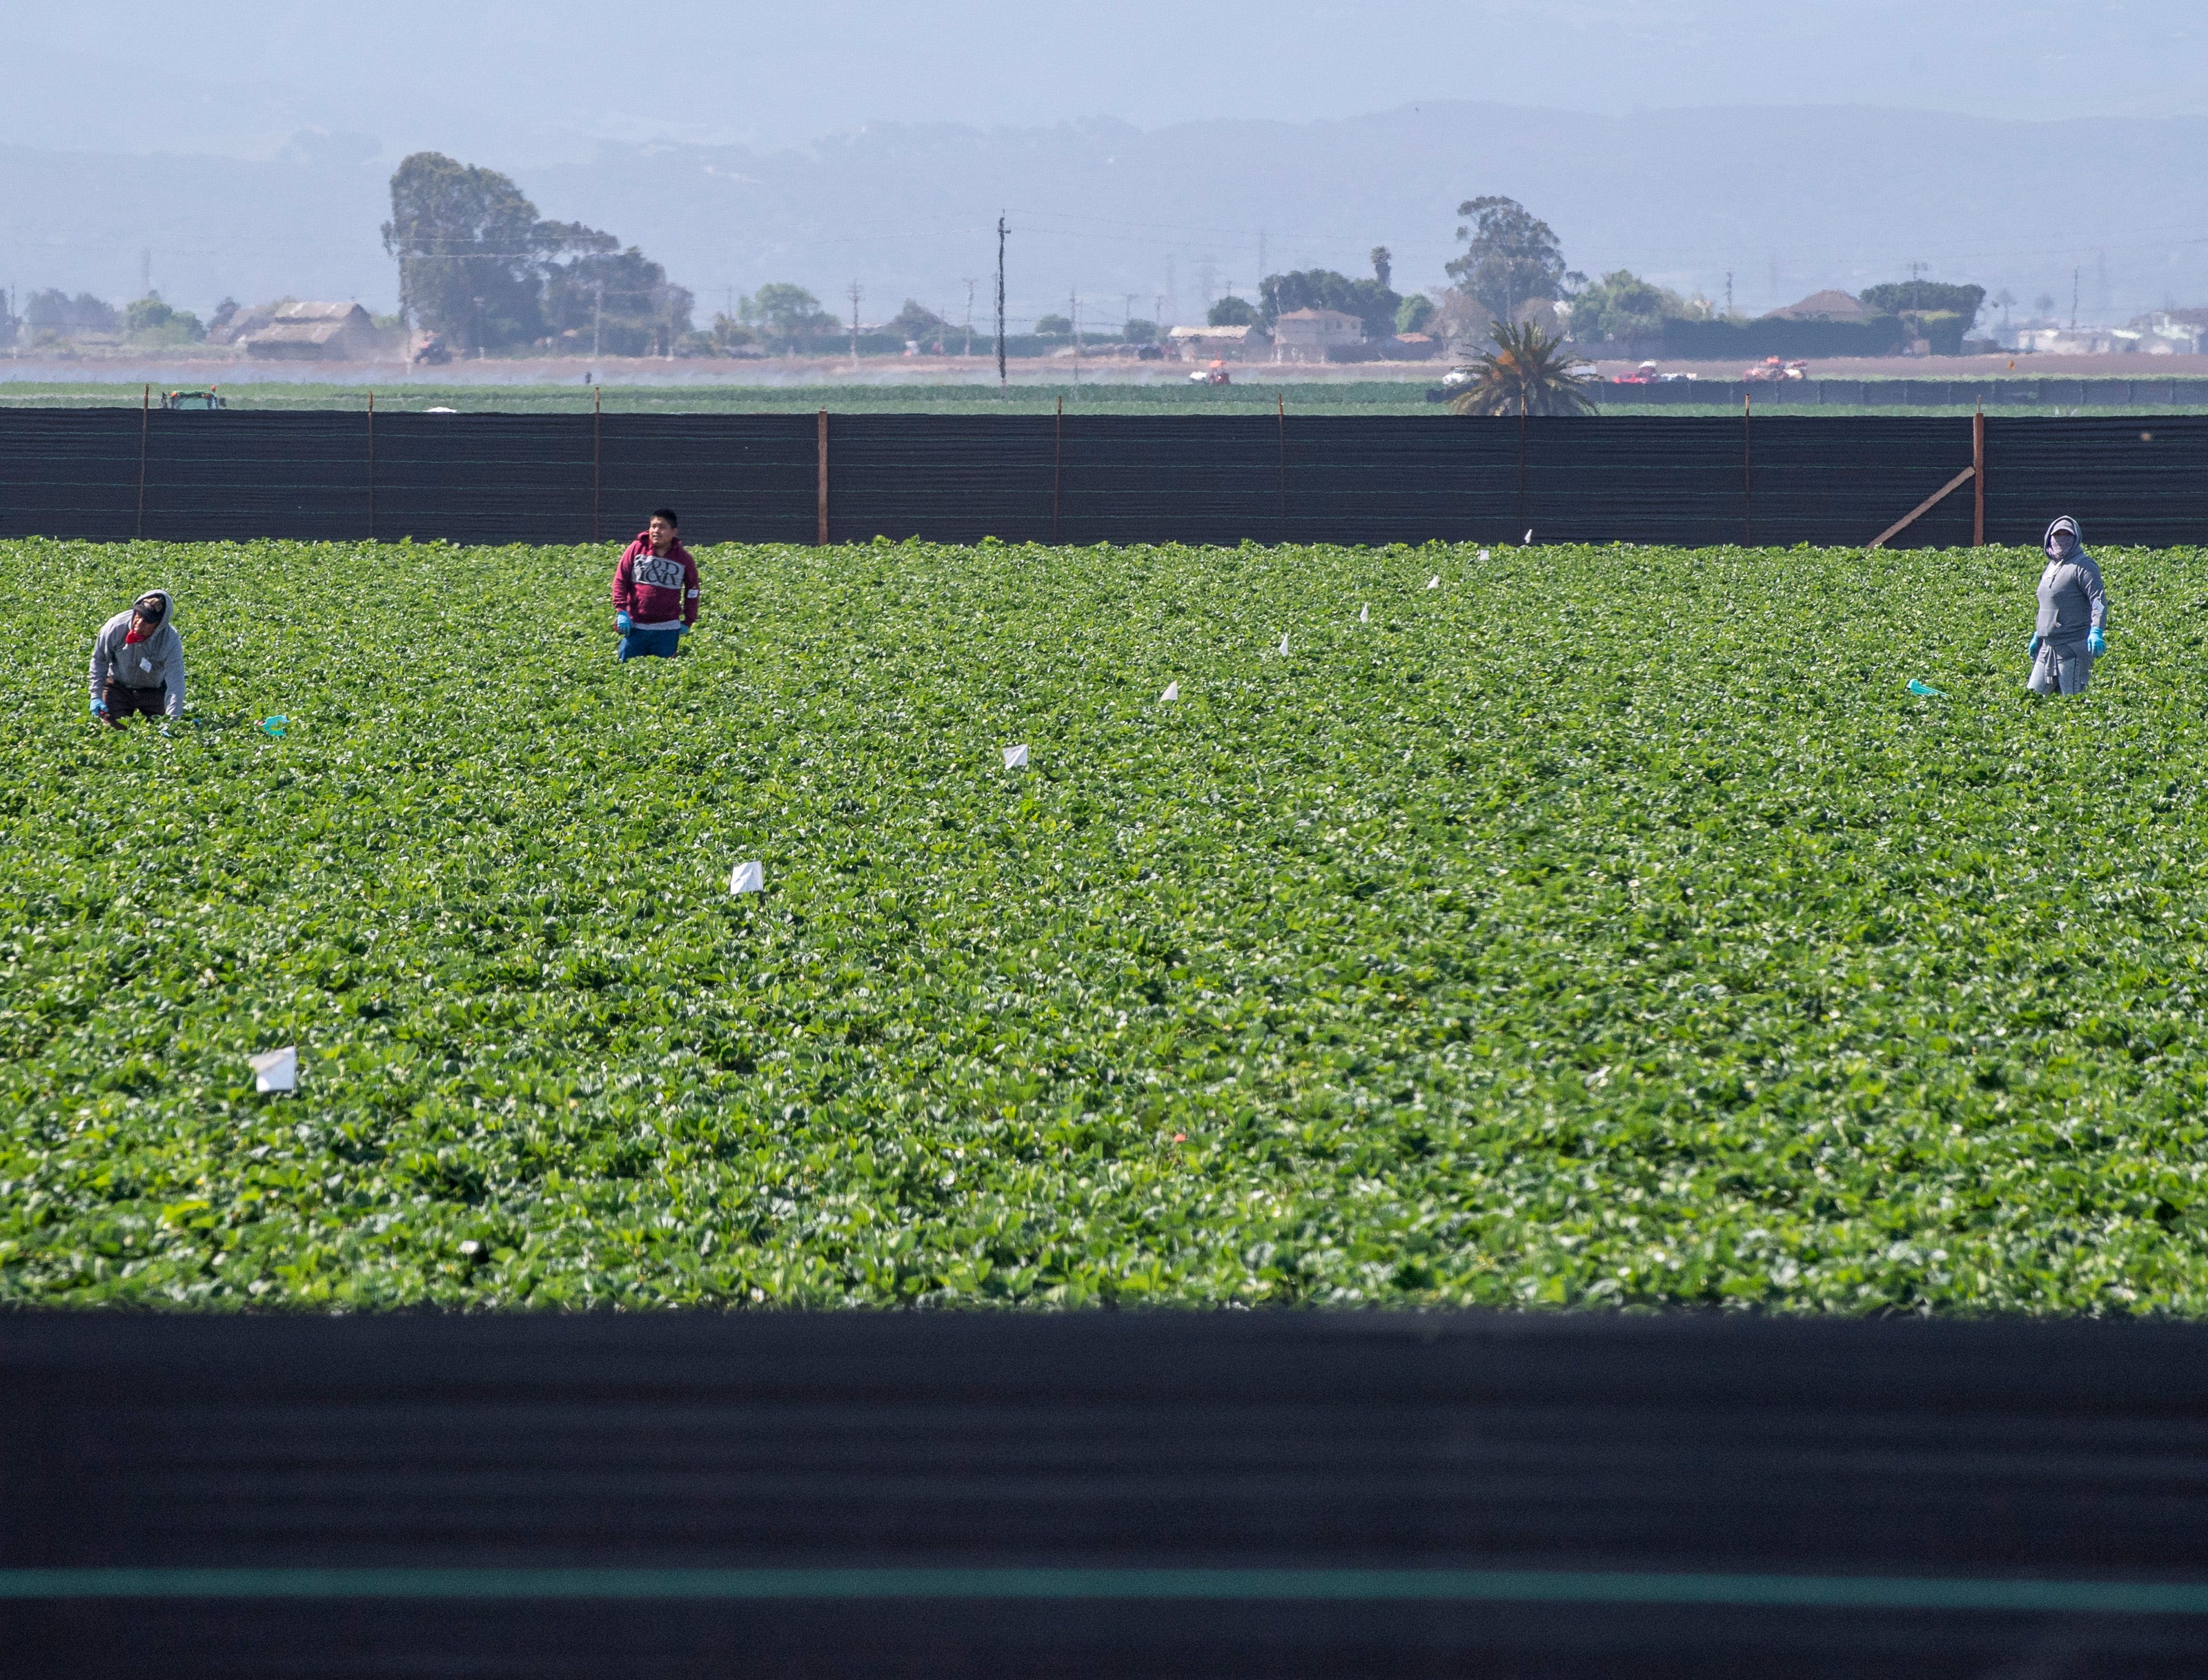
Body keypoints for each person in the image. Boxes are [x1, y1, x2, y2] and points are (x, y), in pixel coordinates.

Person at [2026, 515, 2109, 698]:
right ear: (2050, 538)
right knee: (2032, 699)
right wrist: (2038, 633)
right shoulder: (2052, 566)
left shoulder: (2083, 565)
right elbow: (2047, 604)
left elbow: (2098, 600)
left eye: (2067, 536)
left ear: (2076, 538)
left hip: (2072, 646)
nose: (2062, 540)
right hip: (2048, 647)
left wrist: (2096, 630)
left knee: (2072, 702)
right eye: (2058, 536)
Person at [610, 507, 700, 662]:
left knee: (664, 675)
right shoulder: (636, 549)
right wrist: (622, 611)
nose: (656, 531)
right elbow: (620, 580)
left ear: (674, 532)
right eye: (653, 526)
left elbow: (693, 590)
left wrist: (689, 620)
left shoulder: (684, 558)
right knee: (624, 670)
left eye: (662, 527)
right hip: (635, 627)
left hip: (667, 630)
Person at [88, 589, 184, 726]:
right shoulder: (115, 627)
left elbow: (176, 681)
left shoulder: (170, 640)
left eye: (147, 621)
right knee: (113, 730)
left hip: (154, 690)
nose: (139, 623)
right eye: (139, 615)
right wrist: (95, 695)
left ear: (159, 624)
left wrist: (173, 720)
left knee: (161, 731)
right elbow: (100, 660)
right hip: (117, 687)